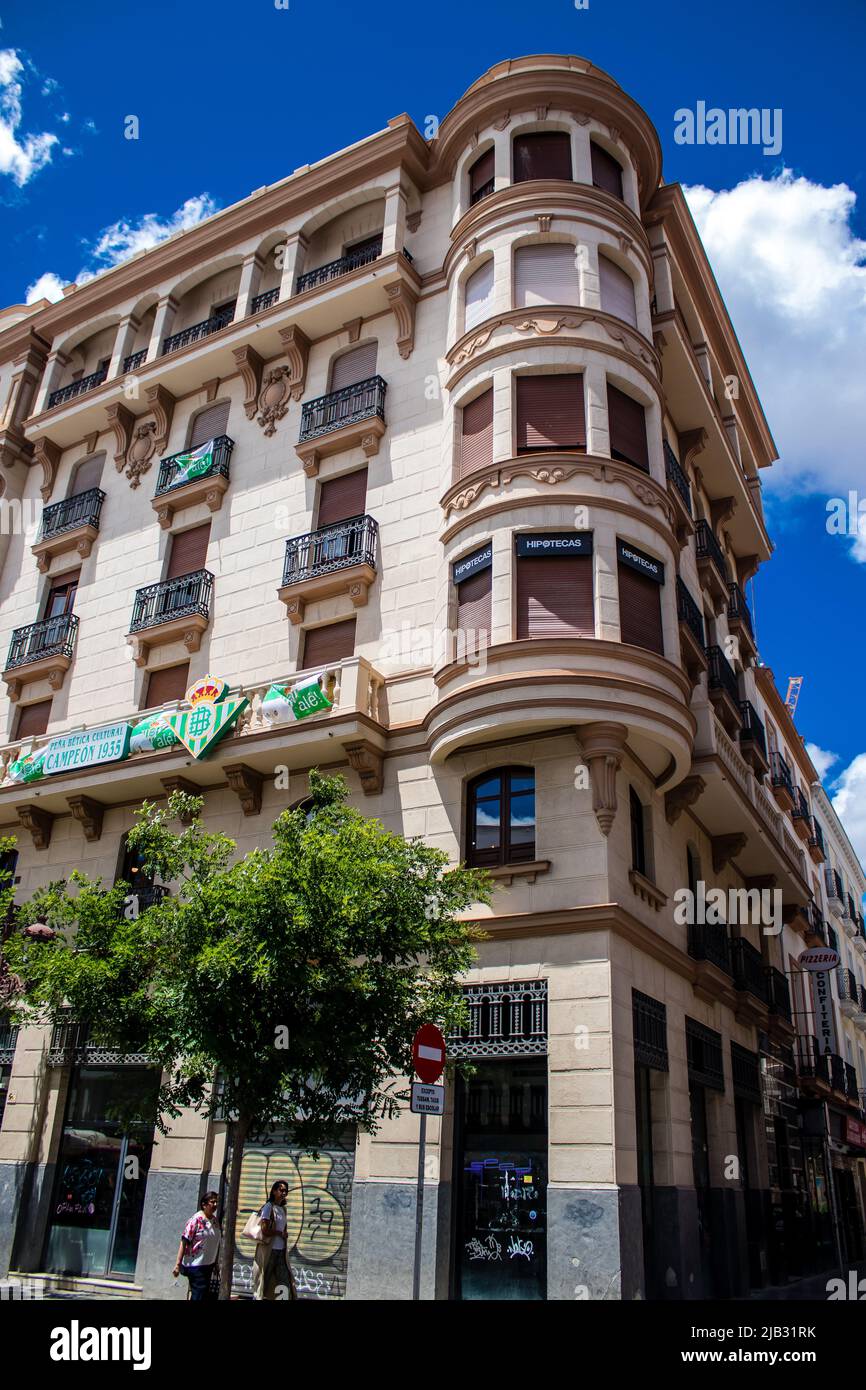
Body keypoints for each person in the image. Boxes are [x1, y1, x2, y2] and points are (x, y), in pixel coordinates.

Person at [253, 1180, 298, 1300]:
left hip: (281, 1251)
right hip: (269, 1251)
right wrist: (279, 1233)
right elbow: (264, 1230)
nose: (284, 1193)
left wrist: (284, 1235)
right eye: (281, 1190)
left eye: (285, 1191)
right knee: (263, 1282)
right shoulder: (269, 1207)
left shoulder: (283, 1209)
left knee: (284, 1282)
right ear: (274, 1191)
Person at [173, 1191, 221, 1300]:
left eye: (216, 1202)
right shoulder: (196, 1220)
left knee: (202, 1296)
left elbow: (216, 1242)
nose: (215, 1205)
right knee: (199, 1295)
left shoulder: (215, 1221)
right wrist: (177, 1264)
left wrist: (216, 1262)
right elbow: (184, 1240)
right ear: (204, 1205)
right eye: (212, 1202)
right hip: (196, 1265)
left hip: (209, 1265)